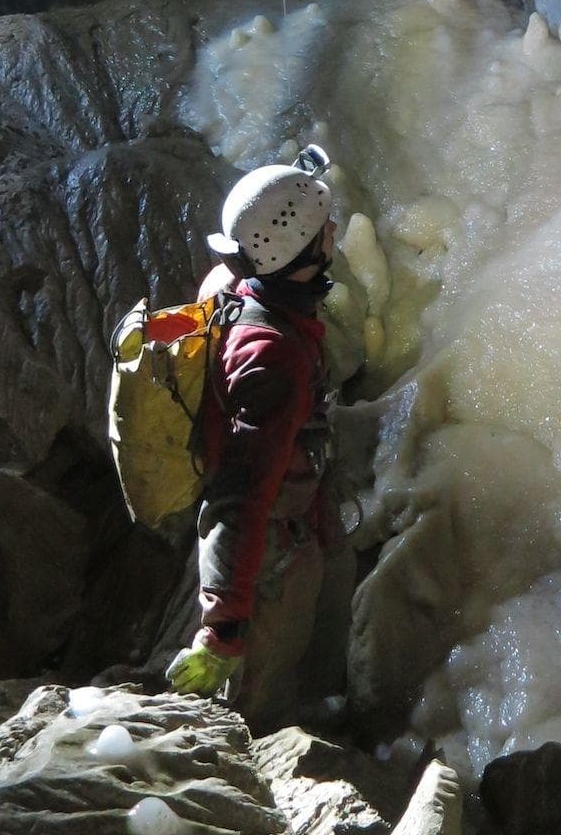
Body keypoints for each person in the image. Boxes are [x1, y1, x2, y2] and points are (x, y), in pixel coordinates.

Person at [166, 144, 342, 731]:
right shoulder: (275, 360)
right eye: (324, 228)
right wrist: (223, 630)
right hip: (270, 554)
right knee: (261, 691)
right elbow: (239, 496)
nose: (335, 230)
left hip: (287, 514)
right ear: (301, 255)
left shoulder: (233, 281)